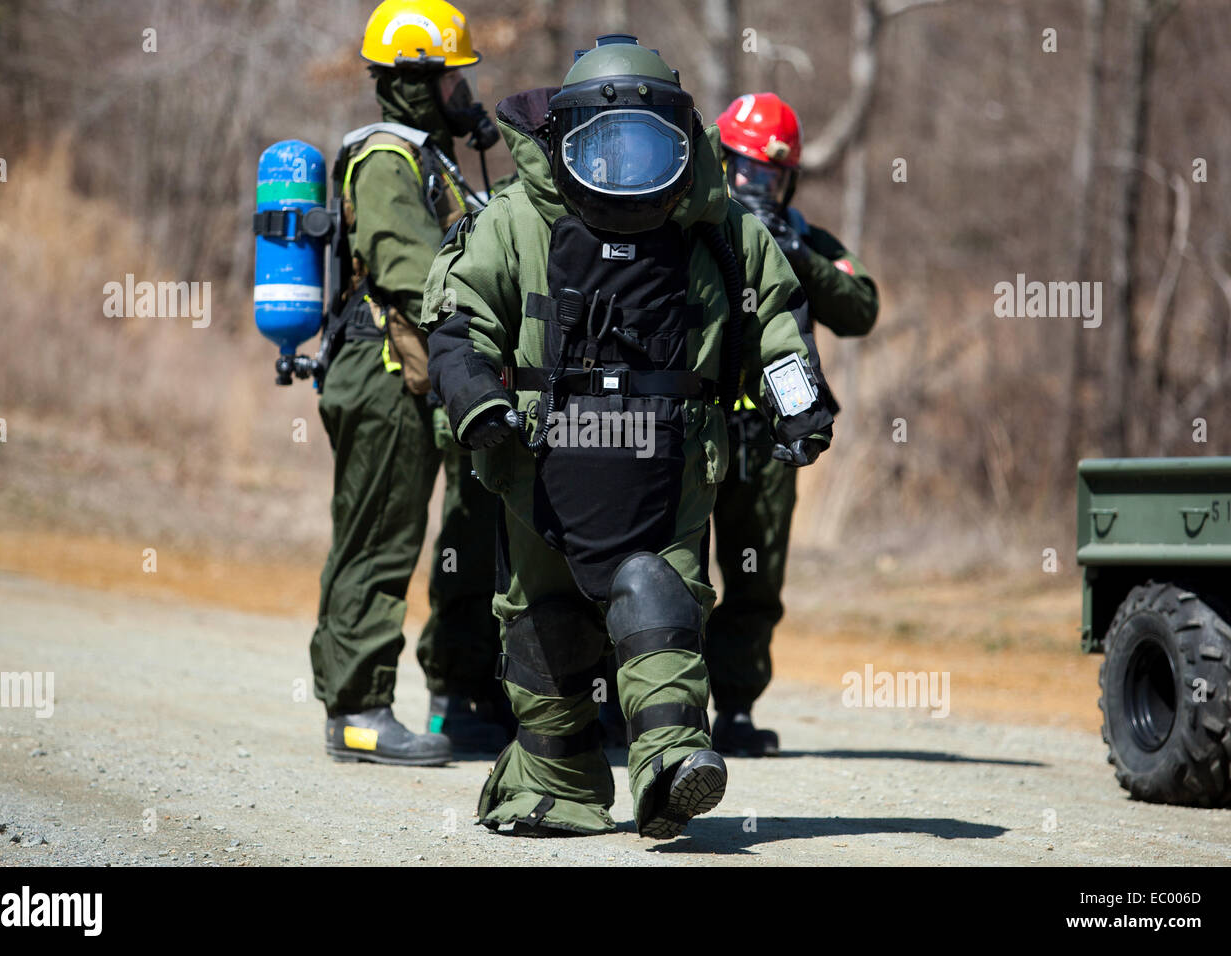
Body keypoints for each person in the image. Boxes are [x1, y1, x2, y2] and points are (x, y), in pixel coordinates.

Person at [420, 36, 838, 837]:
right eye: (603, 147)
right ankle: (552, 784)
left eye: (647, 146)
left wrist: (799, 402)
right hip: (538, 461)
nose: (623, 166)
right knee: (544, 624)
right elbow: (459, 326)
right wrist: (478, 404)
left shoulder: (720, 229)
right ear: (564, 138)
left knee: (662, 595)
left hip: (672, 459)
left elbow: (777, 320)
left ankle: (673, 764)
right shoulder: (515, 220)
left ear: (683, 140)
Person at [312, 0, 511, 767]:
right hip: (383, 372)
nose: (465, 94)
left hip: (427, 375)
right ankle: (356, 710)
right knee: (379, 538)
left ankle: (457, 697)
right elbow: (416, 271)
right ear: (418, 80)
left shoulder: (434, 160)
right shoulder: (387, 160)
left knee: (466, 532)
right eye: (453, 78)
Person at [706, 92, 879, 756]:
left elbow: (861, 308)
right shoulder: (696, 227)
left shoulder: (800, 236)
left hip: (771, 439)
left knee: (756, 580)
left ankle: (738, 711)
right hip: (700, 432)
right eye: (745, 170)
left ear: (790, 179)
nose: (756, 185)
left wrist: (794, 254)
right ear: (721, 164)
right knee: (677, 574)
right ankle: (669, 711)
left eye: (771, 175)